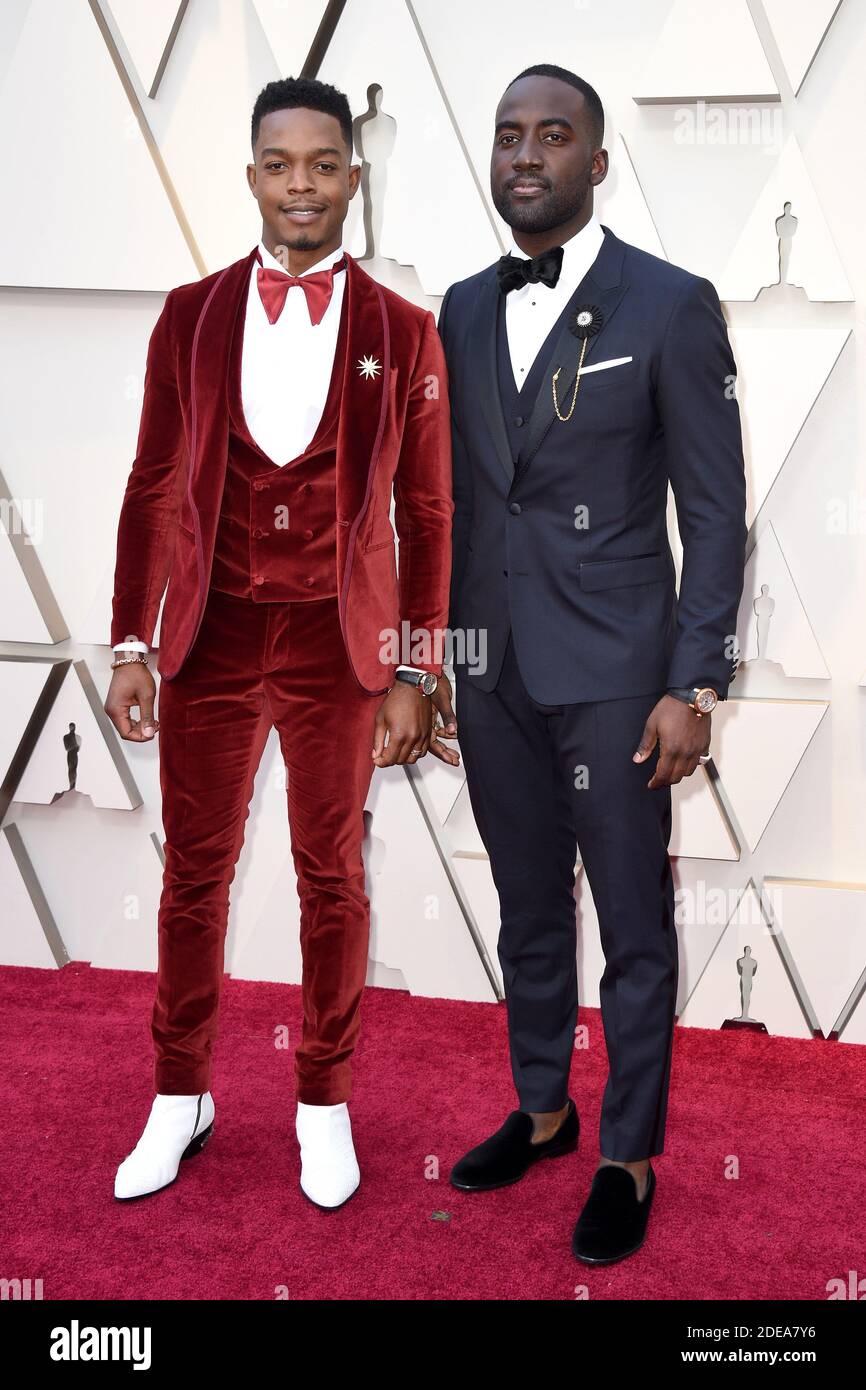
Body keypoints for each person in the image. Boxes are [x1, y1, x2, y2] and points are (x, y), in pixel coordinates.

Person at [105, 76, 452, 1210]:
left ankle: (322, 1103)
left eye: (321, 163)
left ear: (353, 175)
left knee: (331, 879)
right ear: (250, 173)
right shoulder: (190, 313)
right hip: (206, 636)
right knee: (191, 876)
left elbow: (430, 513)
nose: (299, 183)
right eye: (277, 163)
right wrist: (127, 641)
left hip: (335, 645)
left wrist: (415, 664)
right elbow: (153, 483)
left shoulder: (403, 334)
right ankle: (177, 1096)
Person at [432, 63, 746, 1263]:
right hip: (494, 670)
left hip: (621, 676)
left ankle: (624, 1154)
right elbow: (449, 499)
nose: (525, 154)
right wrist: (437, 660)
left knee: (631, 927)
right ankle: (542, 1109)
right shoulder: (458, 308)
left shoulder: (669, 305)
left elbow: (713, 516)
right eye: (508, 134)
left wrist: (694, 681)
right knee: (523, 910)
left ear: (596, 160)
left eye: (551, 135)